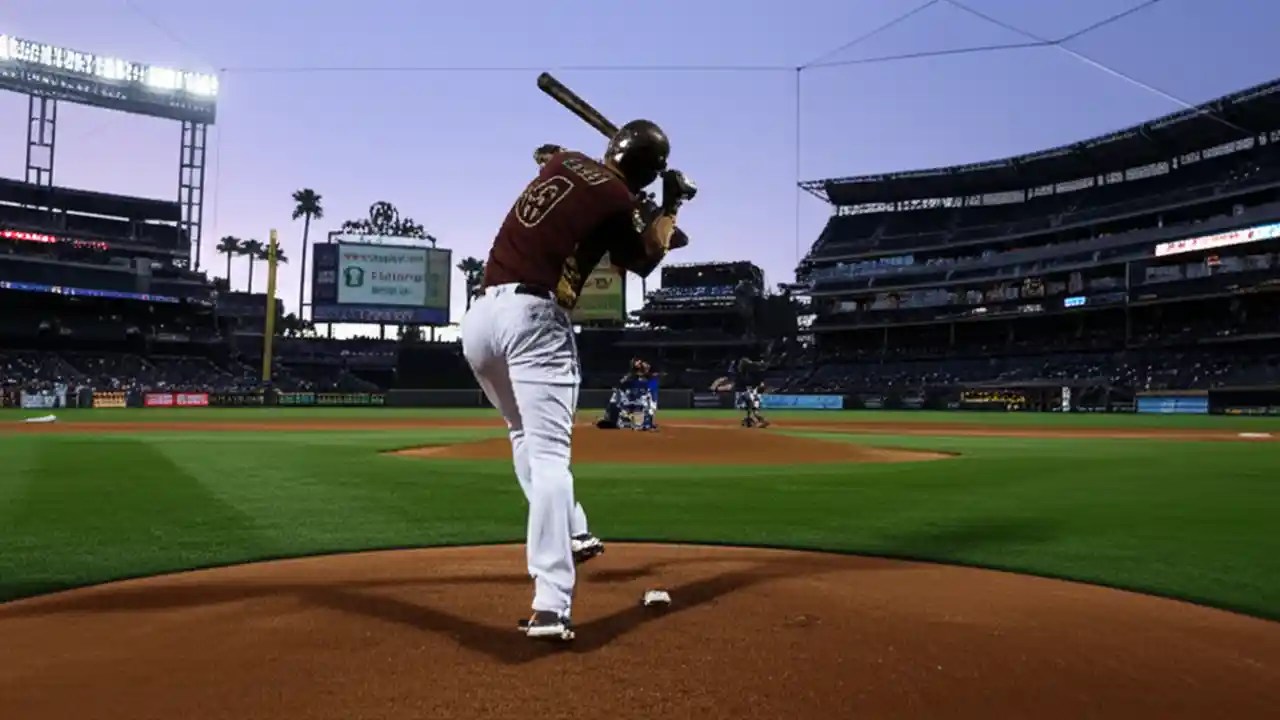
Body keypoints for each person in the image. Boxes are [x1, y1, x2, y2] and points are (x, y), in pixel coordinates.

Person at [461, 119, 693, 641]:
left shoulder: (564, 162)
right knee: (549, 461)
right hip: (533, 319)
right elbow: (647, 258)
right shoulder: (618, 200)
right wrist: (672, 203)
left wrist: (643, 197)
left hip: (479, 323)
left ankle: (576, 530)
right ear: (646, 174)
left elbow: (550, 152)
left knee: (522, 436)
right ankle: (550, 604)